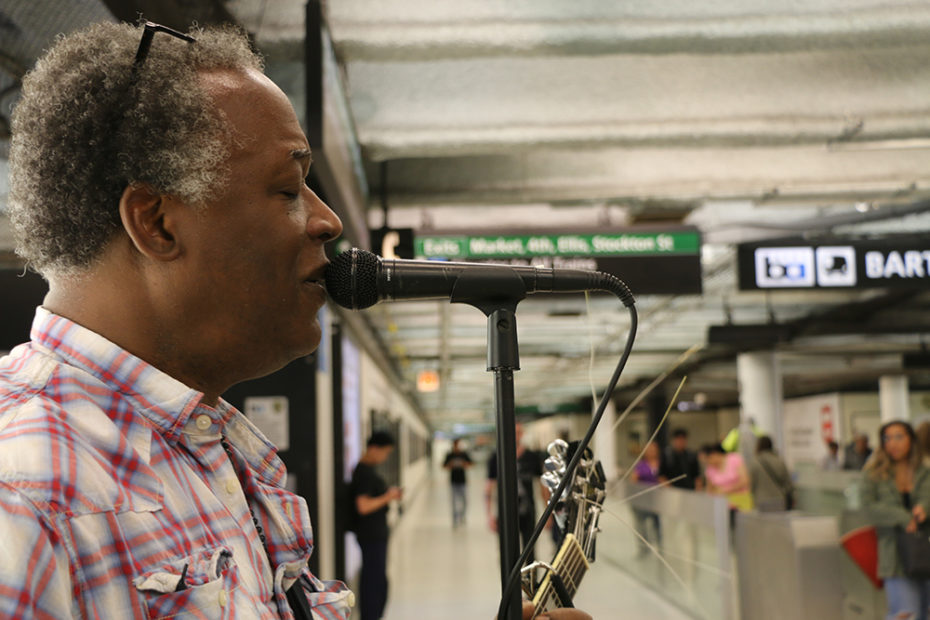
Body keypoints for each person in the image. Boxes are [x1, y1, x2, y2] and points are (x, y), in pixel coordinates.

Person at [0, 20, 590, 620]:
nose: (328, 220)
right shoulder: (24, 493)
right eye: (288, 189)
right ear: (156, 222)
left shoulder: (220, 450)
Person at [860, 421, 930, 620]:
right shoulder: (873, 474)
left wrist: (924, 508)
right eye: (887, 438)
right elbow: (868, 507)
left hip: (925, 547)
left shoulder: (924, 470)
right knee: (906, 614)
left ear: (911, 440)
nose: (893, 443)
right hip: (895, 554)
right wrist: (903, 517)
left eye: (899, 437)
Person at [349, 432, 402, 620]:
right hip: (371, 535)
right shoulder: (364, 472)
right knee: (374, 582)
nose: (385, 457)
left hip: (374, 534)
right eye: (385, 452)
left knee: (377, 580)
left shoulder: (365, 470)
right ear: (374, 448)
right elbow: (363, 506)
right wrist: (389, 496)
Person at [486, 422, 546, 562]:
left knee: (530, 552)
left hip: (528, 511)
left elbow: (542, 485)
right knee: (507, 555)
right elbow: (489, 487)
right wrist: (489, 514)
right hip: (505, 513)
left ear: (522, 434)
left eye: (518, 432)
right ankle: (511, 583)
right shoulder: (497, 457)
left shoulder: (532, 456)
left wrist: (547, 512)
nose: (515, 436)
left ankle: (530, 582)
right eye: (513, 432)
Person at [703, 443, 754, 518]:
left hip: (741, 501)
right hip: (723, 505)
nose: (708, 463)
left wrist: (726, 490)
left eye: (708, 459)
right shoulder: (710, 469)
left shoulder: (734, 458)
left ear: (714, 455)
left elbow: (745, 480)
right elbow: (709, 490)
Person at [630, 441, 663, 553]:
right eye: (649, 450)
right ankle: (643, 550)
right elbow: (633, 480)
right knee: (642, 526)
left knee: (658, 524)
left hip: (658, 500)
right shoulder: (641, 465)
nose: (652, 452)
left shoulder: (661, 463)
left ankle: (661, 546)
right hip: (644, 501)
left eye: (653, 450)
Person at [749, 436, 795, 512]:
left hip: (761, 500)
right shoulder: (779, 461)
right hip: (779, 500)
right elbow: (788, 483)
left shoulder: (755, 462)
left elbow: (752, 484)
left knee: (763, 523)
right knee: (778, 523)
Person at [443, 437, 474, 527]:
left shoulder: (464, 454)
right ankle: (455, 519)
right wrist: (451, 465)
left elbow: (471, 464)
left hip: (462, 481)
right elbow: (444, 466)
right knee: (453, 501)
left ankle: (462, 516)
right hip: (453, 481)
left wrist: (464, 464)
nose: (457, 446)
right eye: (456, 444)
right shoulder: (450, 455)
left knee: (464, 501)